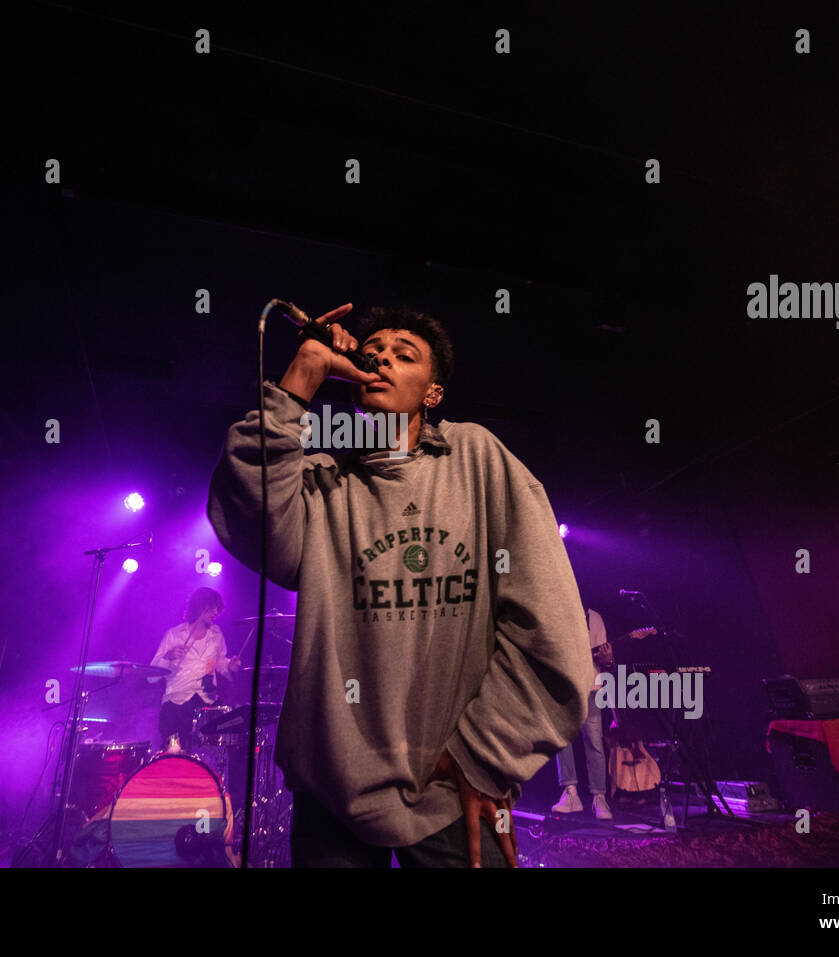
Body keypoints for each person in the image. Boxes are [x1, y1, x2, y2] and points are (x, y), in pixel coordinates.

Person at [208, 302, 596, 867]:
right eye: (375, 349)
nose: (382, 357)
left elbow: (550, 628)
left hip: (453, 791)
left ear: (433, 393)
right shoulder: (321, 483)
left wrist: (483, 757)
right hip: (330, 795)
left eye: (404, 354)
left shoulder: (477, 458)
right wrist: (304, 375)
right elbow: (247, 508)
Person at [149, 587, 240, 751]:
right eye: (212, 608)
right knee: (175, 755)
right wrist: (168, 657)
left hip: (206, 699)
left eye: (217, 608)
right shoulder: (174, 635)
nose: (216, 612)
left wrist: (229, 666)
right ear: (200, 606)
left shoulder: (216, 635)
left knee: (226, 741)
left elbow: (218, 661)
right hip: (177, 700)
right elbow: (151, 676)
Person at [551, 607, 613, 819]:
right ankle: (571, 794)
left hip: (591, 689)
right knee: (562, 741)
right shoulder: (557, 611)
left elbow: (604, 662)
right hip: (564, 687)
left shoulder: (595, 618)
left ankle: (600, 798)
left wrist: (607, 658)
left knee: (594, 742)